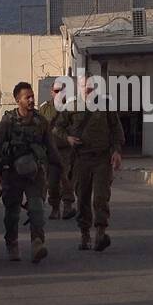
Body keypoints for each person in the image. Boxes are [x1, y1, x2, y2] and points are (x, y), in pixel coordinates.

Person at [0, 82, 62, 263]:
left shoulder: (40, 122)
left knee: (36, 209)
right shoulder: (7, 122)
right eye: (26, 97)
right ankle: (12, 242)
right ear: (17, 100)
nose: (31, 100)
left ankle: (37, 243)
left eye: (32, 96)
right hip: (11, 175)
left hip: (34, 175)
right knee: (12, 213)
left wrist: (59, 169)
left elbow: (51, 148)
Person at [52, 79, 123, 251]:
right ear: (79, 88)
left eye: (92, 87)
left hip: (102, 159)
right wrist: (67, 138)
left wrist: (116, 151)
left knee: (100, 196)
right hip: (81, 159)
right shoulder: (71, 105)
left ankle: (100, 232)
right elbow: (56, 128)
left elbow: (116, 129)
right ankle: (85, 234)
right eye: (85, 86)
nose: (88, 89)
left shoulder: (106, 105)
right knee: (83, 196)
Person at [38, 80, 77, 220]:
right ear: (51, 92)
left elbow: (76, 127)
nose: (58, 93)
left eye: (61, 90)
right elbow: (39, 128)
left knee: (66, 178)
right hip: (49, 151)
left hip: (65, 150)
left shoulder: (71, 107)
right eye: (56, 91)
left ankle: (67, 206)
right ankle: (55, 208)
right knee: (52, 181)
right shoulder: (44, 108)